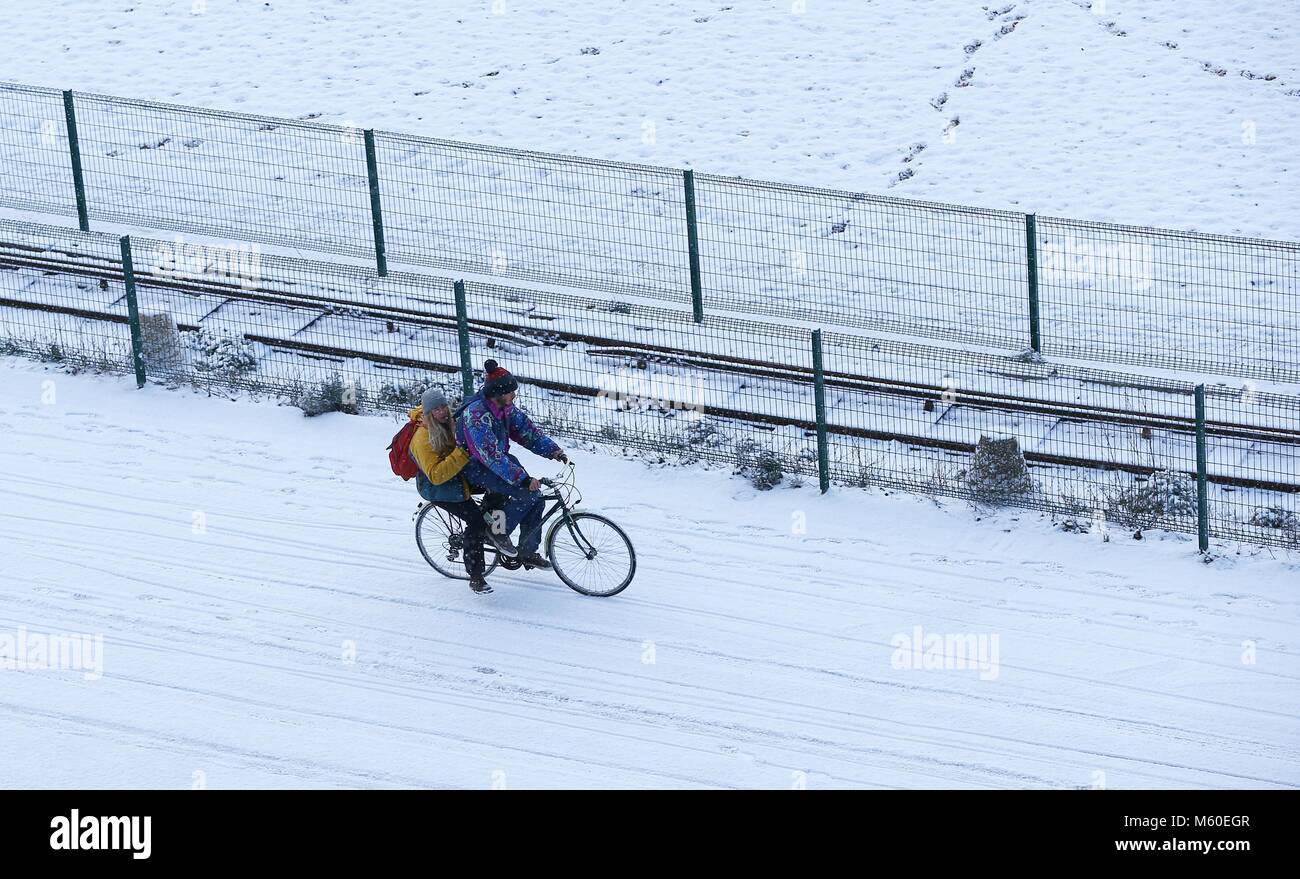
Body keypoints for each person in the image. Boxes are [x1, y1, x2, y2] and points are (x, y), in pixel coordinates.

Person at [456, 360, 568, 569]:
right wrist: (523, 480)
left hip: (498, 460)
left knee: (537, 498)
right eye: (510, 392)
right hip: (475, 465)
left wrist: (552, 450)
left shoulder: (505, 408)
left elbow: (527, 432)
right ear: (496, 393)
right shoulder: (476, 415)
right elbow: (490, 456)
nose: (514, 395)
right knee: (528, 493)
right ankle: (497, 533)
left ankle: (526, 551)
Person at [407, 387, 494, 594]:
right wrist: (462, 453)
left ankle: (495, 530)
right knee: (475, 521)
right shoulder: (422, 439)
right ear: (428, 413)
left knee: (498, 487)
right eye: (436, 409)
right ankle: (475, 576)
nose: (443, 412)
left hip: (457, 477)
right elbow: (436, 476)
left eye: (443, 406)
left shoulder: (448, 423)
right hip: (438, 489)